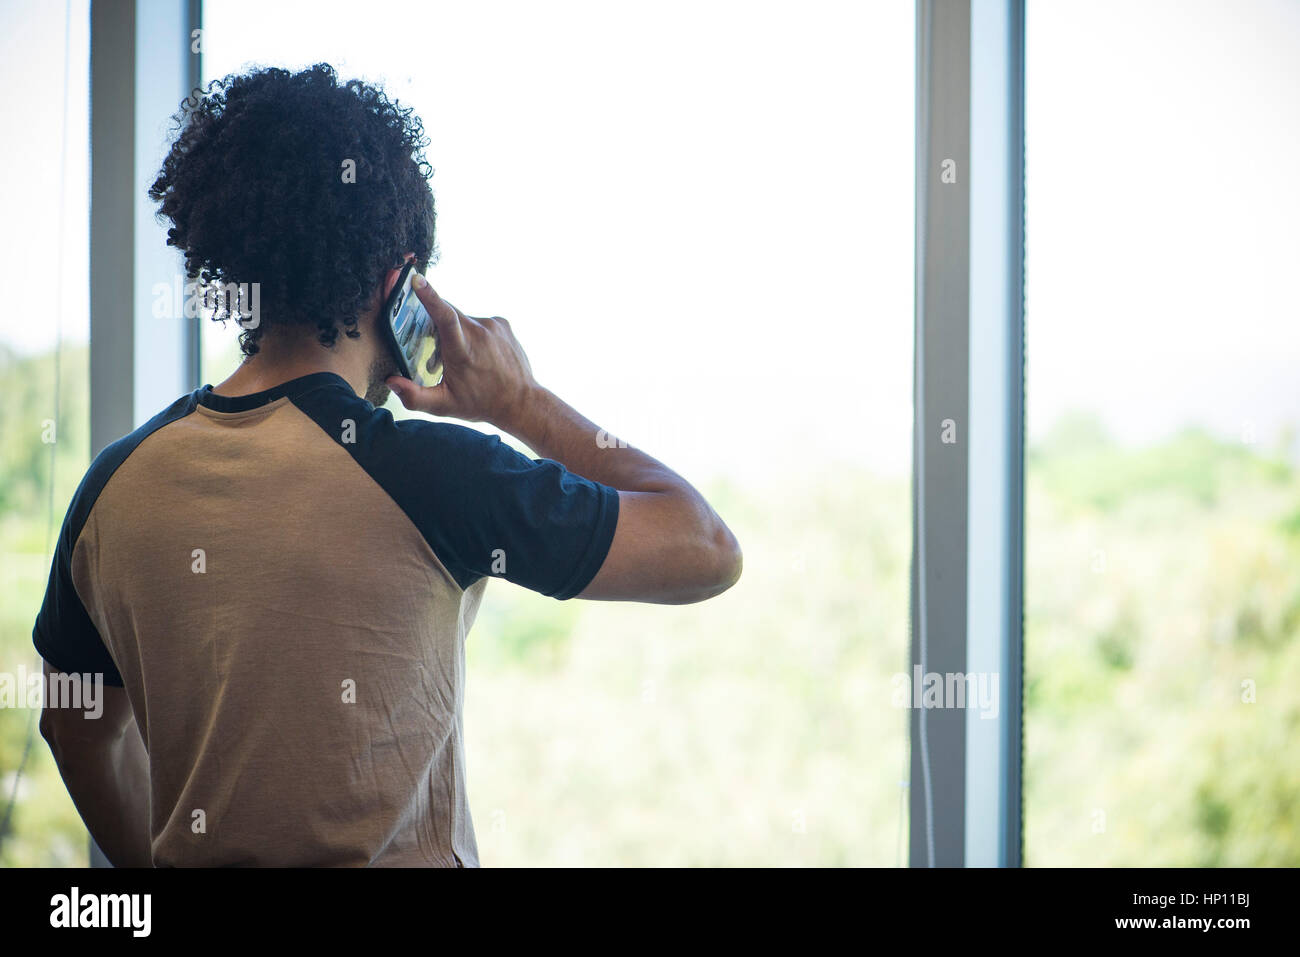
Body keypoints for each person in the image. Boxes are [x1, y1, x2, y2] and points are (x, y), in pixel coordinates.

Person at [32, 64, 741, 867]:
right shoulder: (430, 473)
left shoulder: (114, 489)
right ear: (398, 282)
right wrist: (519, 401)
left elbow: (74, 724)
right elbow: (705, 546)